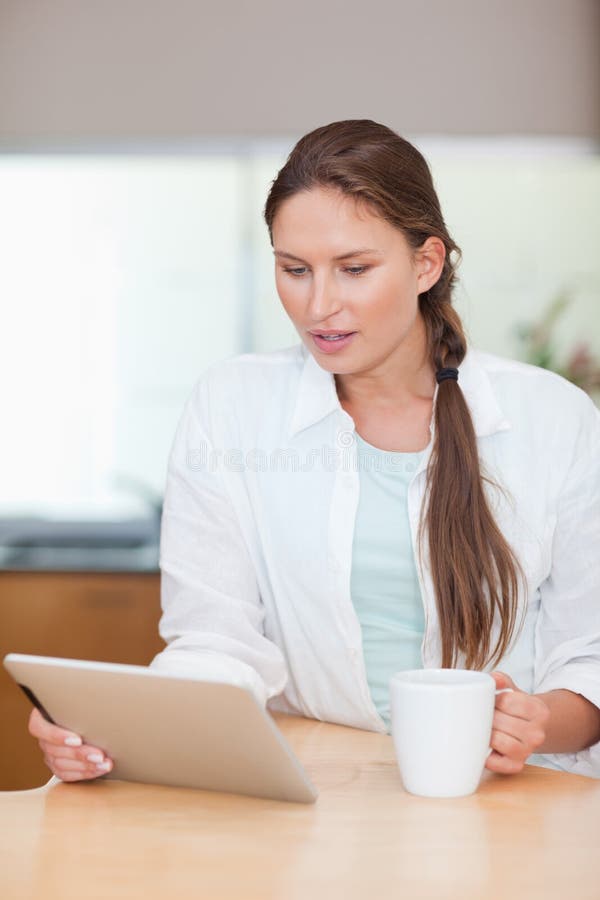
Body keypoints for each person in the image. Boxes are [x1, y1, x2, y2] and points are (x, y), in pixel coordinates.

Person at [30, 119, 600, 783]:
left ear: (426, 263)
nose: (319, 305)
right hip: (322, 784)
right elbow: (216, 643)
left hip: (513, 794)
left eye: (354, 269)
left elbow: (588, 654)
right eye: (293, 270)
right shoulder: (231, 406)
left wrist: (536, 721)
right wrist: (119, 728)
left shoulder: (552, 417)